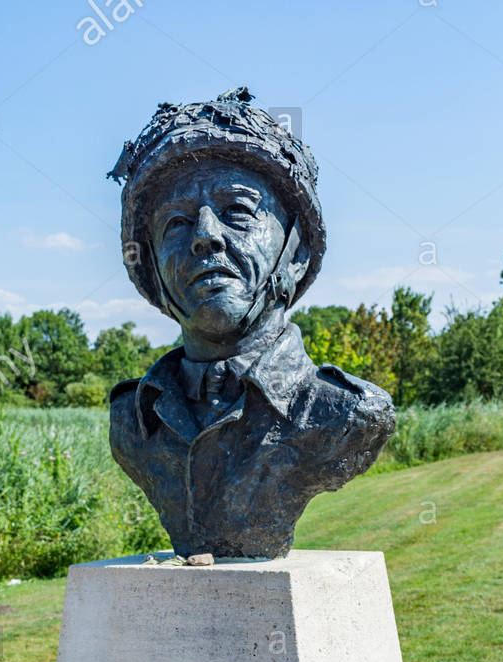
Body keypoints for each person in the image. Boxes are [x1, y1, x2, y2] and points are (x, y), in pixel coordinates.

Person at [107, 88, 395, 560]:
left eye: (238, 212)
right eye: (175, 223)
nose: (205, 237)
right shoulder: (132, 422)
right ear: (152, 271)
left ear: (297, 255)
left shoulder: (345, 414)